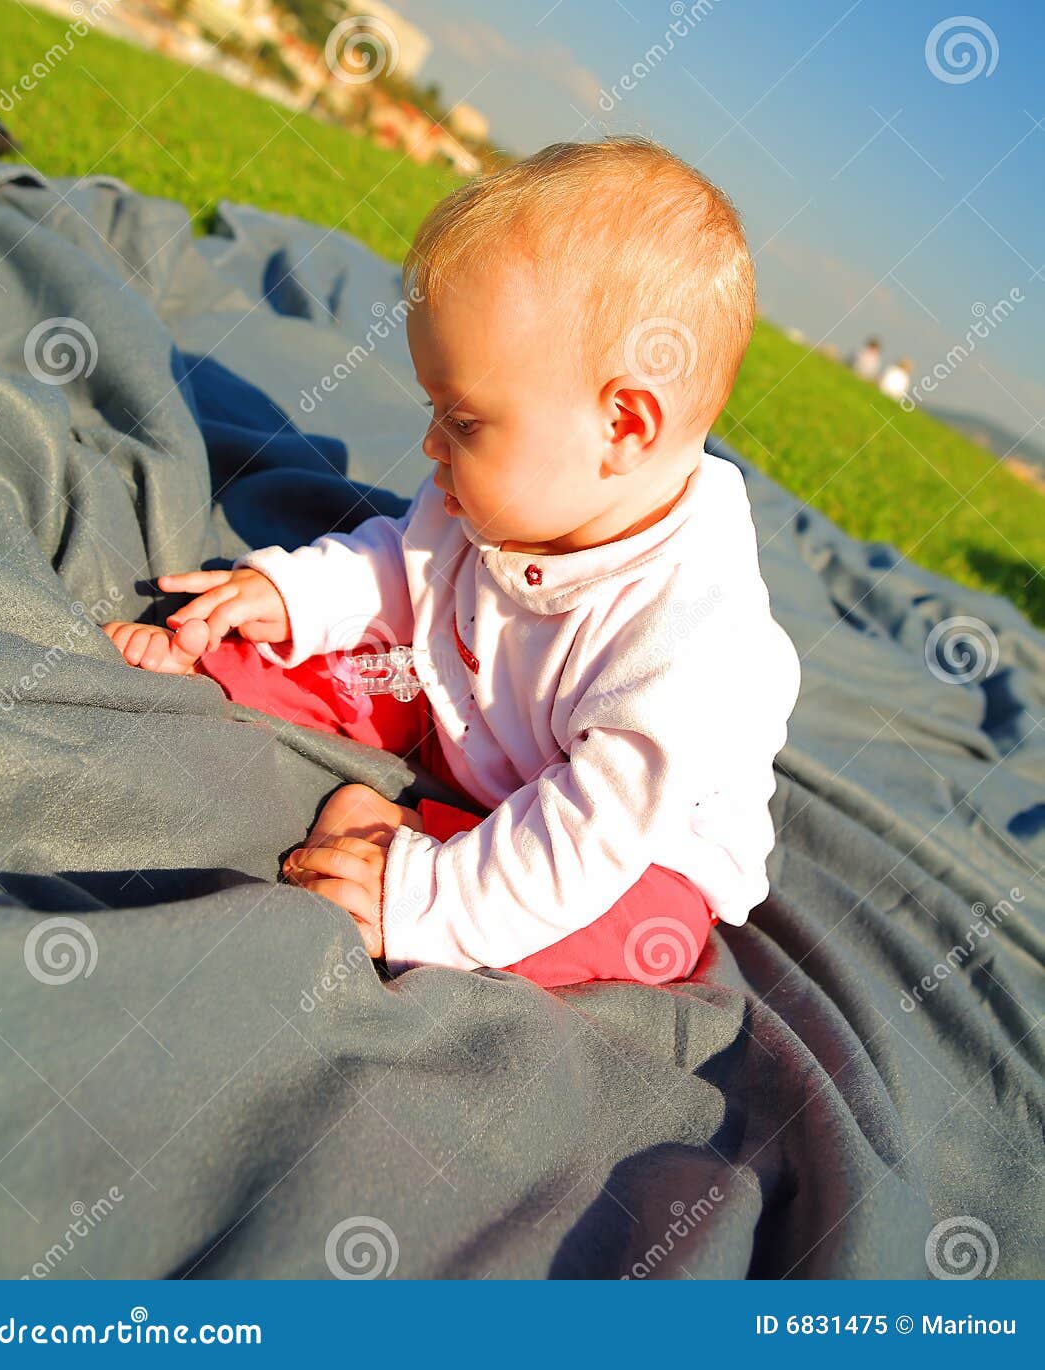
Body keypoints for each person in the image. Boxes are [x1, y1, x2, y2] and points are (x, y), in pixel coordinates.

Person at [102, 138, 802, 989]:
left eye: (464, 422)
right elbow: (401, 569)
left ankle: (420, 851)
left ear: (624, 426)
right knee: (365, 661)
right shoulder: (490, 499)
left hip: (626, 841)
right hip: (473, 722)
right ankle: (211, 661)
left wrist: (428, 899)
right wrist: (284, 594)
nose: (431, 445)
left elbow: (591, 829)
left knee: (643, 935)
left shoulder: (690, 641)